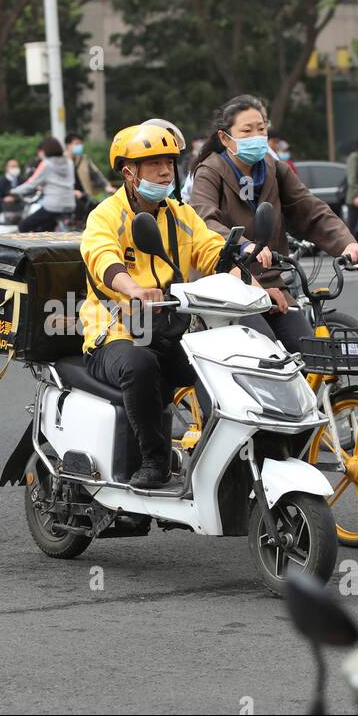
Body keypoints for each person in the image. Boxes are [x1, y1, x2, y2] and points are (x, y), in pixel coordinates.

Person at [81, 122, 240, 488]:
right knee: (140, 364)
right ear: (129, 173)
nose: (165, 170)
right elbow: (102, 258)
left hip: (170, 328)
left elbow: (209, 248)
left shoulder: (180, 215)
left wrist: (239, 266)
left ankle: (223, 453)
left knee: (221, 363)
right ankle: (154, 459)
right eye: (153, 163)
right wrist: (132, 287)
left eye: (169, 161)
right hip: (115, 333)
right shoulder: (105, 216)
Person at [189, 94, 358, 350]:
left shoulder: (274, 170)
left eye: (261, 129)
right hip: (226, 286)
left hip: (272, 283)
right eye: (247, 130)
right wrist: (244, 246)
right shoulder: (210, 172)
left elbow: (311, 210)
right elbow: (204, 221)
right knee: (265, 352)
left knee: (311, 352)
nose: (257, 136)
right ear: (224, 138)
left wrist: (347, 244)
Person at [12, 136, 75, 233]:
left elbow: (31, 183)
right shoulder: (69, 162)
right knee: (46, 229)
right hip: (70, 204)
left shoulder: (46, 164)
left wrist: (12, 191)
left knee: (24, 226)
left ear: (45, 150)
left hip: (53, 205)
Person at [66, 132, 114, 223]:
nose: (79, 146)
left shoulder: (84, 159)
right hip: (68, 196)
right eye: (76, 144)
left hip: (85, 195)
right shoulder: (62, 161)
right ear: (68, 145)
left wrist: (106, 186)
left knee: (96, 211)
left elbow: (96, 175)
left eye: (80, 144)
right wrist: (71, 191)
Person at [0, 158, 23, 227]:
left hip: (20, 211)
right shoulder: (0, 182)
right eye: (12, 166)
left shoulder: (22, 180)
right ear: (6, 168)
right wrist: (4, 199)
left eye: (16, 166)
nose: (15, 169)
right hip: (3, 211)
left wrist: (15, 198)